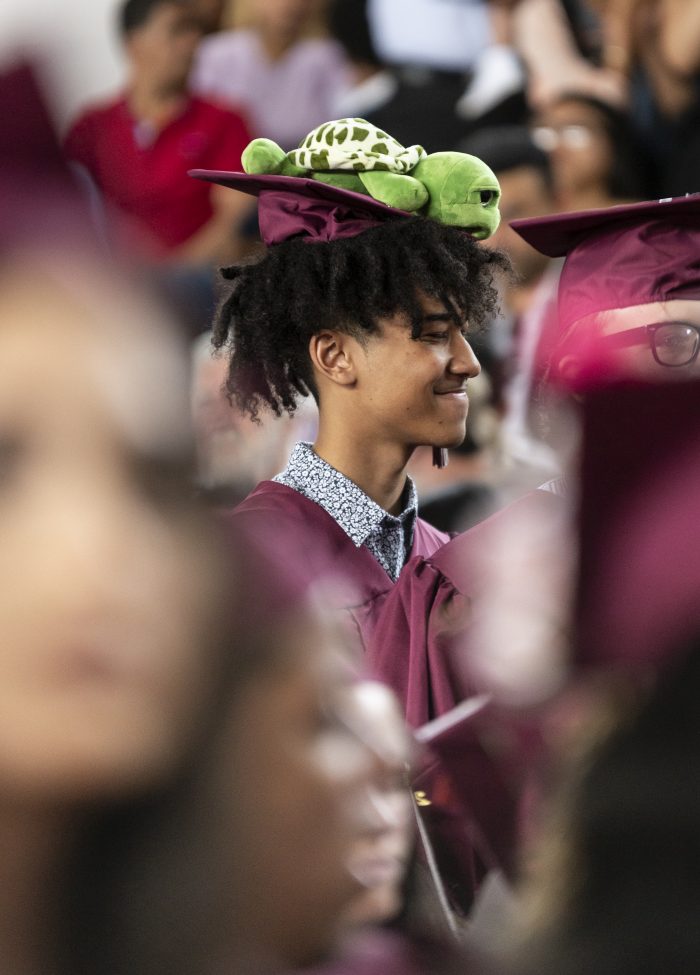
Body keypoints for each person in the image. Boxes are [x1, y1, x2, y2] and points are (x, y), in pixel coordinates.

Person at [65, 0, 252, 262]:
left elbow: (232, 219)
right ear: (134, 44)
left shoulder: (224, 120)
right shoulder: (92, 127)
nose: (192, 43)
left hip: (196, 279)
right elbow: (63, 211)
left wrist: (175, 274)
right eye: (177, 30)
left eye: (195, 31)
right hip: (113, 278)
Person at [192, 0, 350, 150]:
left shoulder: (327, 57)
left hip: (300, 168)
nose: (289, 4)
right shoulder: (215, 53)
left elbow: (339, 121)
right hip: (227, 164)